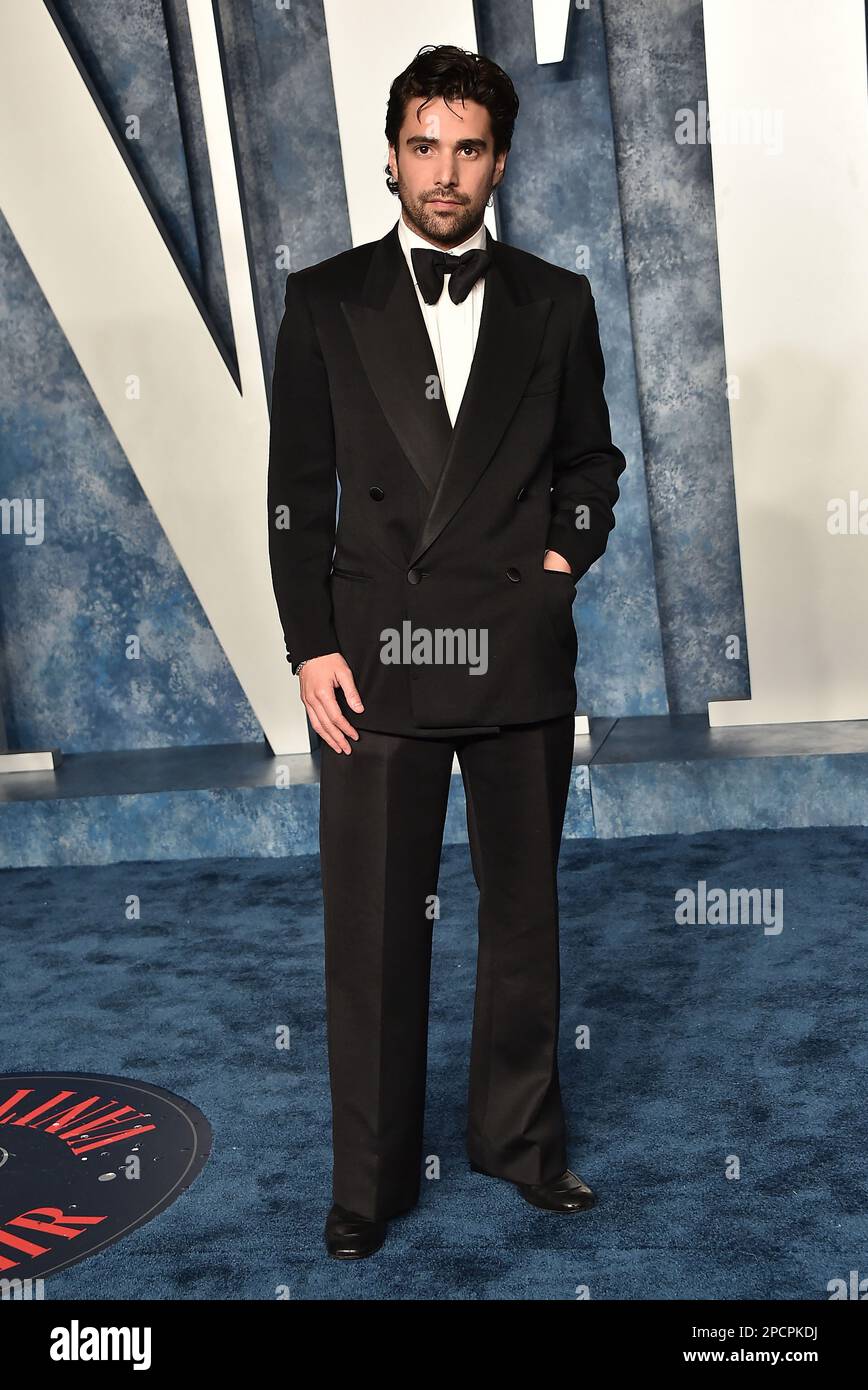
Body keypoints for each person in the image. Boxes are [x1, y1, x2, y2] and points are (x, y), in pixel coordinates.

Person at [267, 43, 626, 1259]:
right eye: (424, 144)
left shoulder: (556, 298)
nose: (444, 170)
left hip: (515, 655)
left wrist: (558, 567)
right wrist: (309, 648)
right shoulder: (322, 300)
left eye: (468, 147)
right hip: (374, 665)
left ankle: (520, 1143)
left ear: (499, 163)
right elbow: (295, 495)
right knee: (373, 931)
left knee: (522, 918)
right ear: (389, 154)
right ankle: (367, 1181)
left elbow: (592, 464)